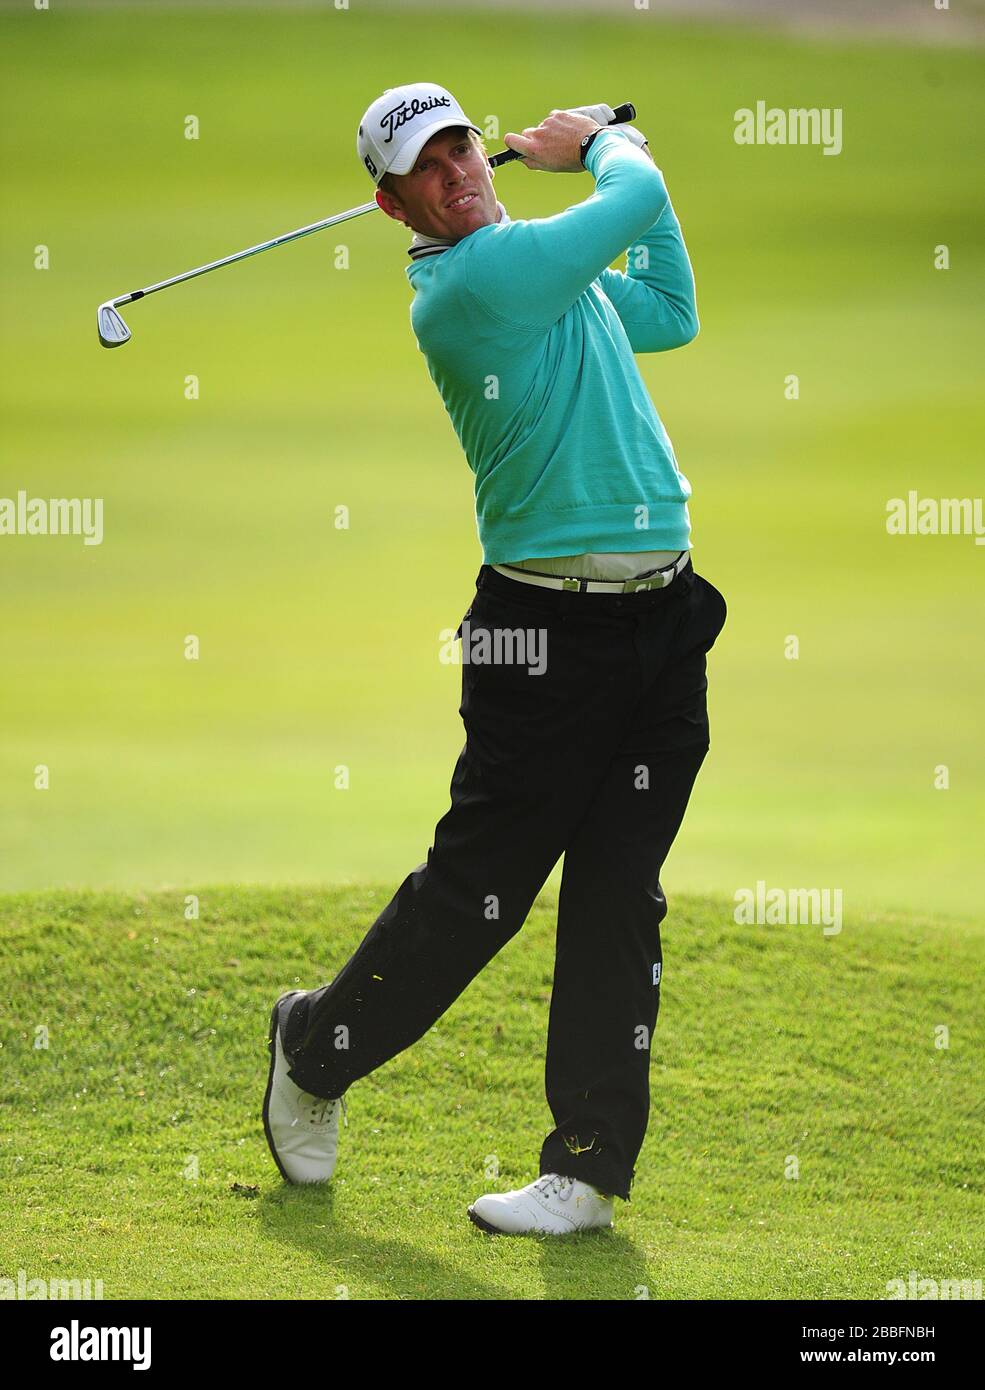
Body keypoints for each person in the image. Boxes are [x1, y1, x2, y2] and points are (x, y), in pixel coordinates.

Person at [262, 83, 727, 1236]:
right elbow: (638, 196)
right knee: (480, 895)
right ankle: (314, 1049)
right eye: (427, 165)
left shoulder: (539, 268)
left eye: (463, 144)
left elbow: (667, 303)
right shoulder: (469, 290)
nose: (457, 168)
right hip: (544, 640)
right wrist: (607, 148)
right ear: (390, 205)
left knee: (621, 896)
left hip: (662, 627)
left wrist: (618, 170)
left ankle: (583, 1172)